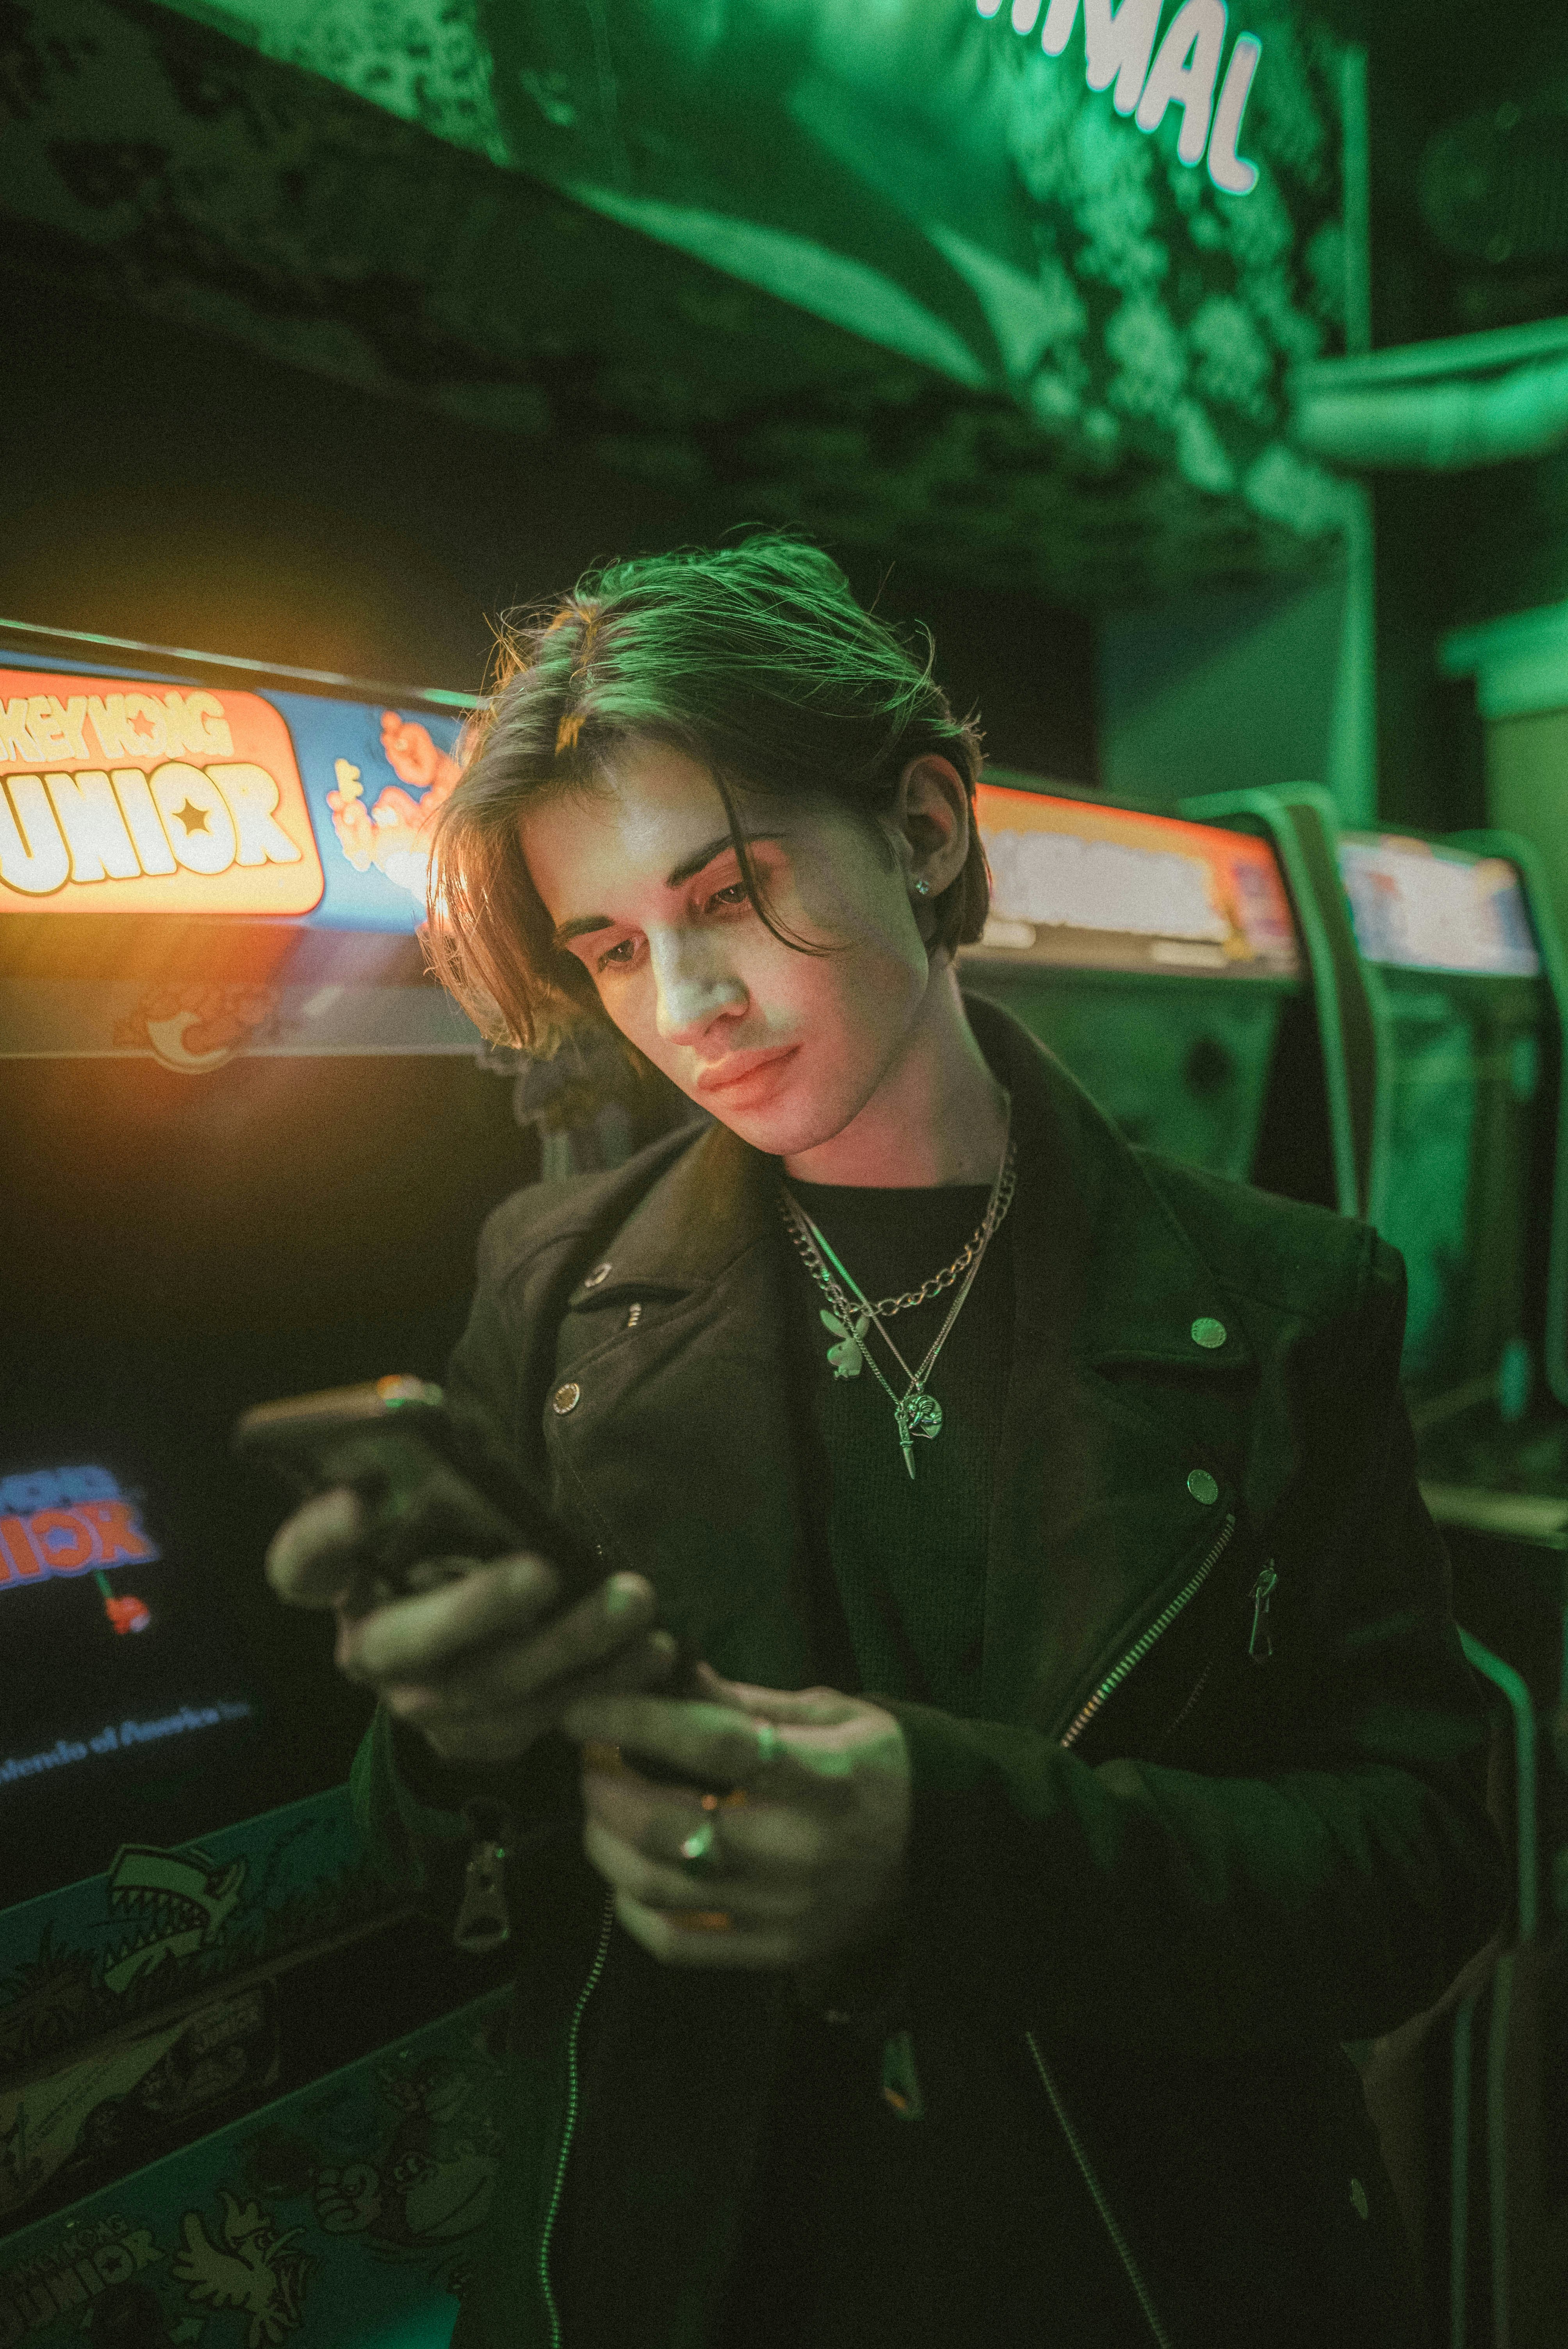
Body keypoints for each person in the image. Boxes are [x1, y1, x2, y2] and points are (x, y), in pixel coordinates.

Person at [266, 536, 1507, 2349]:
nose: (681, 1009)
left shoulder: (1282, 1299)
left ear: (923, 827)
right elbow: (423, 1853)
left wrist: (950, 1849)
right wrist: (456, 1739)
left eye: (733, 893)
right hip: (707, 2267)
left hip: (1148, 2266)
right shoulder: (549, 1289)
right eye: (614, 947)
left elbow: (1417, 1870)